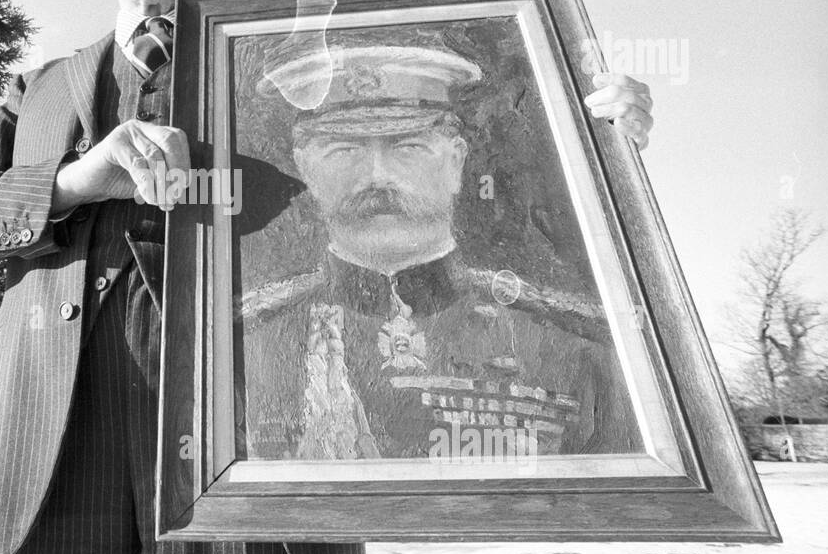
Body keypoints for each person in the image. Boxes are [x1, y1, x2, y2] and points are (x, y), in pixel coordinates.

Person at [0, 0, 655, 554]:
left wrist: (584, 125)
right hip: (51, 458)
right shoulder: (37, 93)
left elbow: (468, 190)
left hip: (255, 446)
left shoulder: (282, 87)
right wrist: (75, 180)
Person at [241, 40, 642, 461]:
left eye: (408, 147)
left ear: (456, 163)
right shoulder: (249, 341)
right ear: (306, 168)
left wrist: (616, 155)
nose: (378, 176)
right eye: (344, 149)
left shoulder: (576, 344)